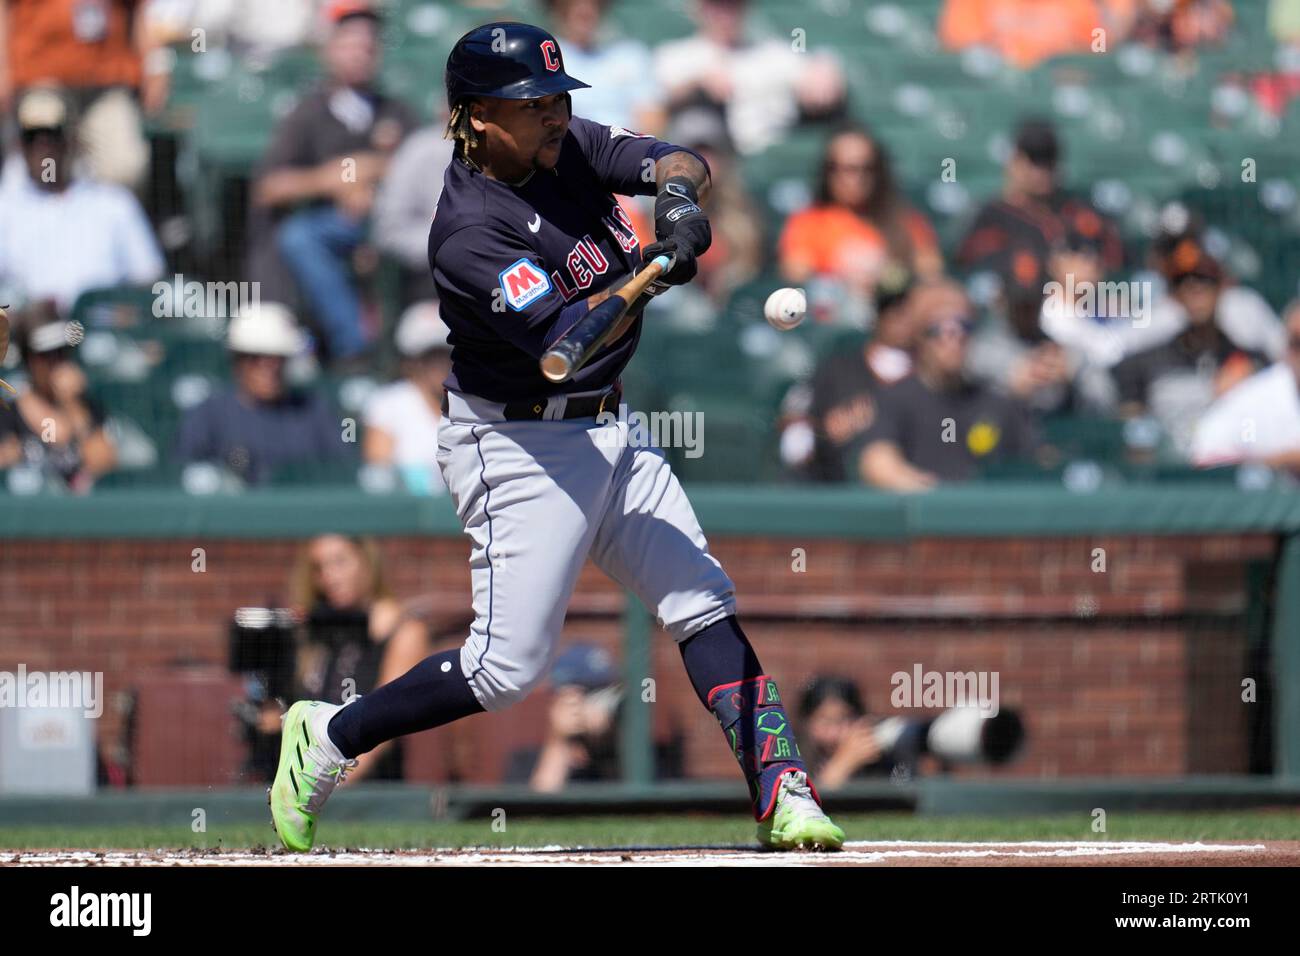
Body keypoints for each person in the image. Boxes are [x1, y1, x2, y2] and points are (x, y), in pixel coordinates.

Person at [268, 22, 845, 853]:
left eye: (553, 99)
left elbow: (677, 159)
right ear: (474, 116)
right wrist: (652, 272)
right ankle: (329, 737)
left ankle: (785, 793)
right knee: (503, 673)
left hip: (609, 423)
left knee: (701, 599)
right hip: (519, 446)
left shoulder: (564, 142)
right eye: (529, 104)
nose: (551, 115)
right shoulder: (470, 233)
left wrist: (677, 205)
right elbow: (570, 346)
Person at [246, 0, 418, 363]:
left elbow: (426, 164)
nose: (360, 53)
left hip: (389, 223)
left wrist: (371, 175)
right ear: (329, 49)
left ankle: (417, 345)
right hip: (328, 228)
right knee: (298, 237)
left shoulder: (396, 110)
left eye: (368, 45)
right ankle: (355, 348)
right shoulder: (308, 113)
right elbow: (268, 186)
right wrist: (332, 179)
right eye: (350, 43)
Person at [277, 535, 431, 782]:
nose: (329, 576)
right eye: (319, 567)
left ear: (366, 562)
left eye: (340, 562)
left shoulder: (403, 630)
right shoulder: (314, 633)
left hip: (365, 790)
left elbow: (387, 723)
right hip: (302, 780)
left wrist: (324, 787)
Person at [858, 282, 1039, 490]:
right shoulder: (896, 398)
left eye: (964, 326)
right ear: (919, 337)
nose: (953, 337)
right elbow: (877, 463)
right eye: (938, 329)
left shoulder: (996, 401)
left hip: (988, 515)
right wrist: (932, 495)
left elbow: (1033, 463)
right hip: (926, 515)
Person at [0, 87, 163, 315]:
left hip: (101, 335)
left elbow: (148, 282)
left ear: (72, 141)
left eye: (52, 137)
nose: (43, 148)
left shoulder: (114, 204)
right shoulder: (5, 209)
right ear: (20, 145)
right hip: (29, 340)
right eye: (33, 138)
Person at [1113, 240, 1273, 458]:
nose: (1194, 288)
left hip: (1230, 475)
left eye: (1204, 280)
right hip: (1169, 475)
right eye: (1182, 282)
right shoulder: (1146, 362)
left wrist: (1247, 387)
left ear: (1221, 288)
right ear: (1174, 294)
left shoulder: (1251, 361)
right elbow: (1132, 442)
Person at [176, 302, 353, 485]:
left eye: (277, 357)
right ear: (236, 360)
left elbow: (342, 471)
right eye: (255, 357)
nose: (269, 366)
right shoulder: (208, 415)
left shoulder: (315, 411)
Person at [0, 0, 159, 190]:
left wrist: (155, 65)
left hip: (105, 84)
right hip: (41, 82)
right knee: (45, 162)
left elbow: (142, 11)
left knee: (124, 167)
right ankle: (43, 213)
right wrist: (2, 67)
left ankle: (101, 217)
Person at [652, 0, 846, 156]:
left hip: (772, 152)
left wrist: (824, 74)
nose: (725, 14)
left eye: (733, 4)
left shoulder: (773, 53)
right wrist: (698, 86)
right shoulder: (675, 56)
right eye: (717, 4)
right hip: (717, 160)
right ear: (699, 7)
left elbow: (818, 73)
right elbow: (653, 111)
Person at [779, 268, 917, 482]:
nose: (896, 317)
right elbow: (793, 442)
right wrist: (822, 434)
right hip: (840, 494)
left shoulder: (934, 375)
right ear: (875, 312)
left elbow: (949, 436)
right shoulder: (835, 370)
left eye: (905, 309)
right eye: (887, 307)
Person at [779, 125, 943, 289]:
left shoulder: (904, 221)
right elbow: (796, 276)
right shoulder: (808, 223)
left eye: (867, 168)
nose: (856, 178)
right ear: (828, 172)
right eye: (846, 169)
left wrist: (888, 276)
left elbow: (931, 274)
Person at [504, 643, 683, 791]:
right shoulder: (526, 759)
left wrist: (618, 735)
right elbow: (530, 817)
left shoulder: (640, 756)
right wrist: (560, 742)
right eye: (591, 692)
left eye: (609, 691)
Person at [0, 314, 116, 491]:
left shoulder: (87, 406)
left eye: (63, 352)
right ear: (29, 359)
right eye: (47, 355)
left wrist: (72, 405)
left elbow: (103, 462)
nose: (57, 362)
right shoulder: (8, 412)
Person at [1191, 301, 1300, 471]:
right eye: (1298, 342)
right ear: (1285, 344)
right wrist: (1280, 462)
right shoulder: (1253, 400)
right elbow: (1207, 456)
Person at [361, 302, 451, 495]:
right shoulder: (388, 403)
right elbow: (378, 476)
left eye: (445, 354)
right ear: (412, 361)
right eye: (430, 357)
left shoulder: (472, 405)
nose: (440, 364)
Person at [544, 0, 663, 131]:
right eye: (572, 4)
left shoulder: (631, 54)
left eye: (593, 3)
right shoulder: (544, 56)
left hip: (626, 145)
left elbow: (651, 118)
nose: (585, 10)